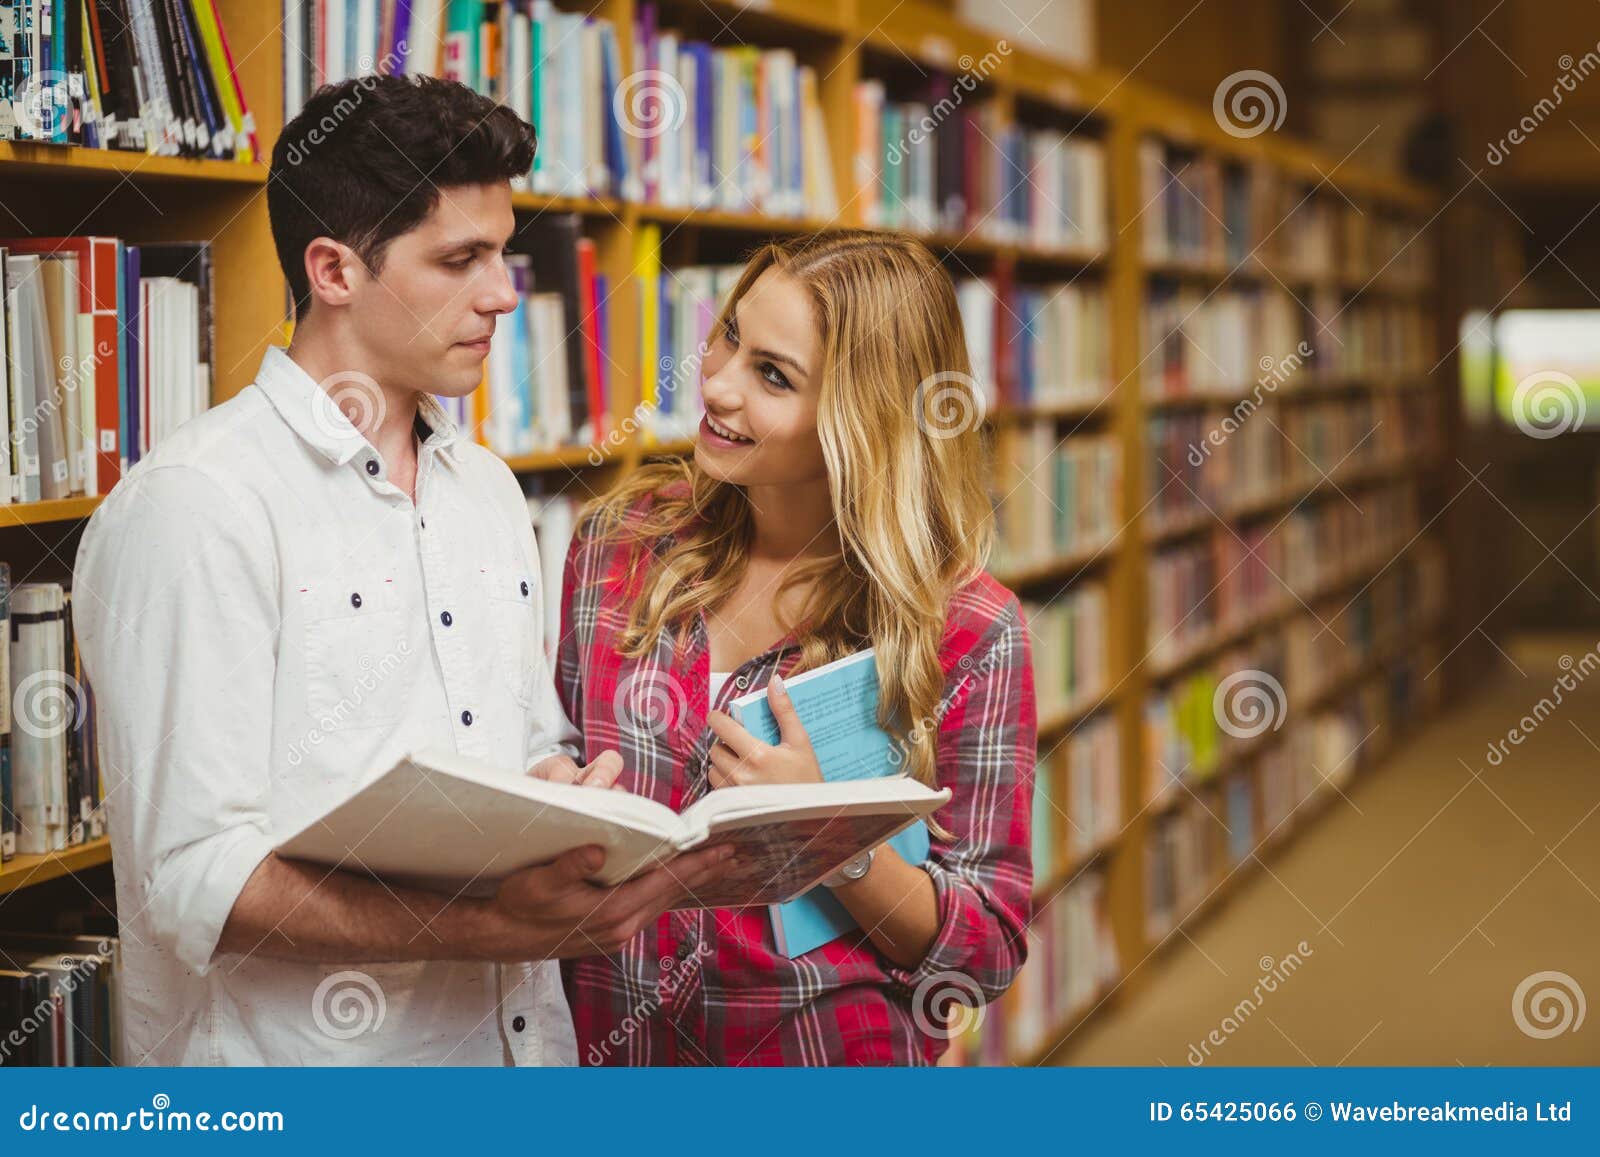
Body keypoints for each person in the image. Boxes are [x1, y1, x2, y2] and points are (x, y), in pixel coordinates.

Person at [70, 74, 729, 1066]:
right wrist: (492, 926)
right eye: (460, 259)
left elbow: (517, 739)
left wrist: (564, 793)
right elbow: (193, 876)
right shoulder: (199, 505)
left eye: (501, 251)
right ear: (333, 269)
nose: (505, 292)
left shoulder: (489, 490)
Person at [557, 231, 1037, 1065]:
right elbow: (557, 749)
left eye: (772, 375)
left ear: (862, 423)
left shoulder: (966, 628)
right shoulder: (615, 544)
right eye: (729, 335)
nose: (716, 383)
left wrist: (826, 835)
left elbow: (982, 951)